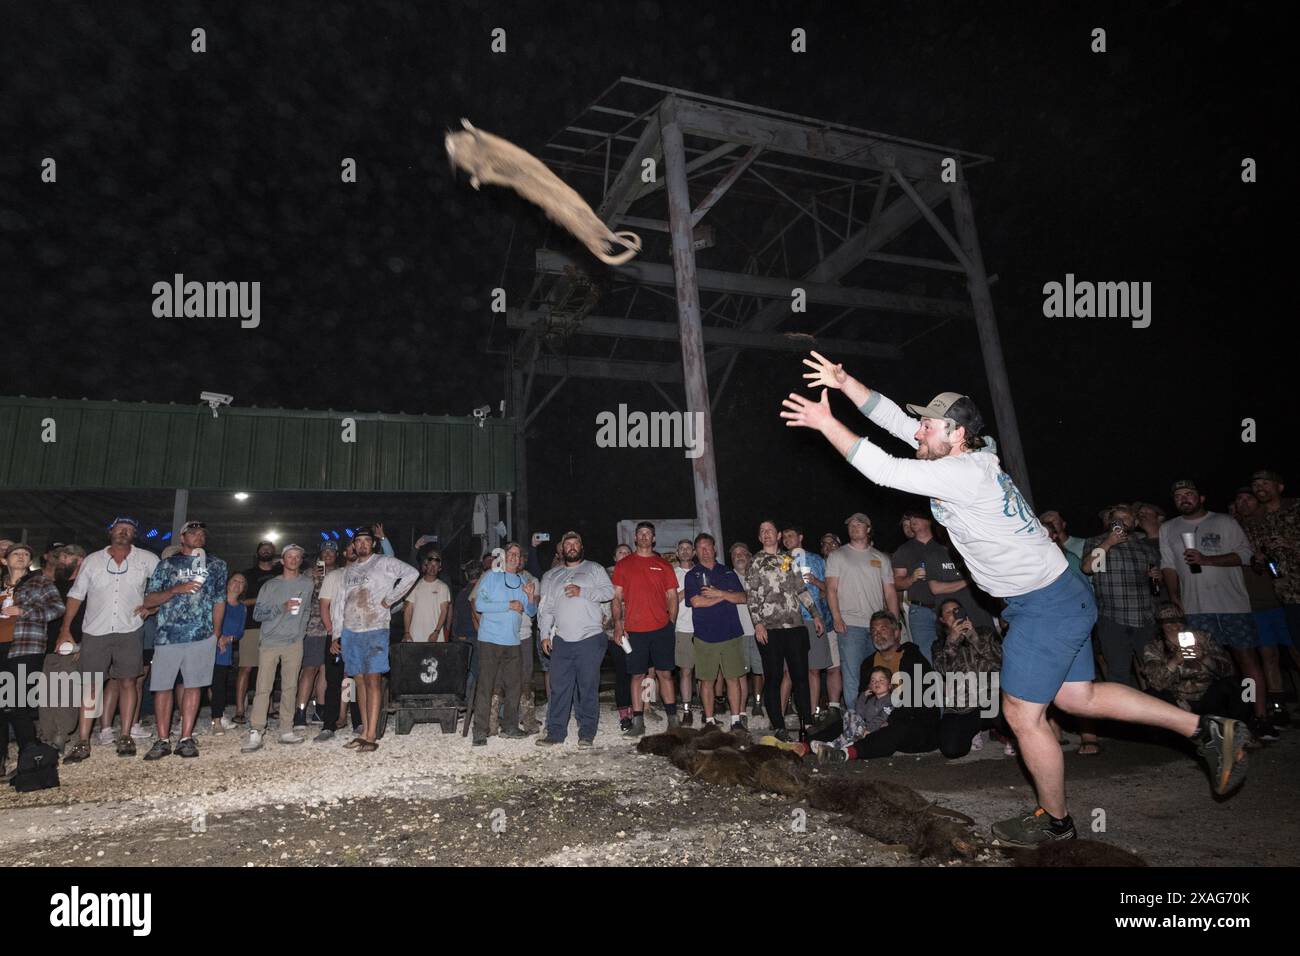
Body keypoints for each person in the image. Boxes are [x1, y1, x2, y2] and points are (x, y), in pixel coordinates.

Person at [781, 351, 1252, 847]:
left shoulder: (962, 474)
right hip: (1058, 596)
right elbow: (895, 419)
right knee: (1077, 697)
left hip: (1044, 602)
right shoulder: (969, 456)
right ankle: (1208, 729)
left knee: (1021, 714)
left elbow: (880, 469)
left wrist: (825, 421)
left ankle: (1056, 821)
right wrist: (846, 381)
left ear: (956, 434)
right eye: (921, 426)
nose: (918, 432)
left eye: (928, 427)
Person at [1159, 479, 1276, 742]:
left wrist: (1206, 559)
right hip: (1196, 607)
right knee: (1201, 664)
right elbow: (1168, 565)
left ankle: (1260, 717)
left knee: (1247, 660)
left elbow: (1245, 555)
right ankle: (1214, 722)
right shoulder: (1169, 528)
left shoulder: (1224, 522)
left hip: (1232, 605)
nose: (1184, 499)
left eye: (1189, 494)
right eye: (1178, 496)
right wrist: (1175, 596)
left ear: (1201, 498)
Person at [58, 518, 159, 762]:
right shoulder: (92, 560)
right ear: (110, 532)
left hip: (129, 629)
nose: (124, 532)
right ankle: (83, 740)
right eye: (119, 528)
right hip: (95, 630)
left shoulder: (147, 559)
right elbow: (76, 594)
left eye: (129, 530)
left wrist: (152, 607)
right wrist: (65, 629)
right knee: (91, 685)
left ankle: (125, 735)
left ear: (134, 535)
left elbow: (162, 587)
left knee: (128, 681)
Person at [140, 520, 227, 760]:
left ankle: (186, 738)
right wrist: (175, 590)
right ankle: (162, 739)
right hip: (168, 635)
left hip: (201, 635)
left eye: (202, 534)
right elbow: (148, 600)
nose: (198, 536)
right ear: (182, 537)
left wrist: (216, 632)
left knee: (193, 685)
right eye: (193, 533)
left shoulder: (217, 565)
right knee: (163, 687)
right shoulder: (167, 564)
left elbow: (219, 600)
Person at [335, 526, 418, 751]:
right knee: (359, 680)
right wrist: (337, 632)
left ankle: (372, 735)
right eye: (358, 541)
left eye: (366, 540)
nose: (362, 544)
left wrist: (389, 600)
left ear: (373, 543)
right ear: (353, 545)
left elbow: (412, 574)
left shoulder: (383, 562)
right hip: (351, 630)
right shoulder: (349, 571)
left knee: (373, 680)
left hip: (375, 628)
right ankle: (364, 731)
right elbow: (340, 602)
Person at [745, 520, 824, 741]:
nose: (766, 534)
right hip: (770, 629)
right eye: (762, 532)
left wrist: (816, 614)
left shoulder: (789, 560)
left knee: (800, 676)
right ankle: (778, 724)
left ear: (778, 535)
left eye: (770, 530)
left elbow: (801, 588)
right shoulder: (756, 562)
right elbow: (751, 595)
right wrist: (758, 623)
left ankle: (806, 722)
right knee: (774, 677)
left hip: (795, 626)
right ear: (760, 538)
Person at [535, 532, 614, 746]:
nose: (571, 547)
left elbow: (609, 592)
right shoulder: (552, 576)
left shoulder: (594, 568)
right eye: (567, 544)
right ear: (562, 549)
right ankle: (555, 733)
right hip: (561, 639)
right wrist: (544, 634)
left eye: (575, 543)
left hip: (590, 638)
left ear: (581, 546)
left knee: (587, 686)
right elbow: (547, 609)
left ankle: (587, 733)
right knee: (558, 687)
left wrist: (583, 591)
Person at [242, 545, 316, 752]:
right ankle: (256, 731)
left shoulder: (307, 583)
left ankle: (286, 729)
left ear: (301, 560)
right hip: (270, 642)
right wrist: (280, 608)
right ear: (282, 561)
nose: (293, 560)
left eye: (297, 557)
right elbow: (257, 614)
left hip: (294, 642)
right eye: (289, 556)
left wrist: (300, 633)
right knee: (263, 687)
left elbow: (307, 609)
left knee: (290, 686)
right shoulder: (270, 585)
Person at [0, 543, 66, 775]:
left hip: (25, 647)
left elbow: (58, 608)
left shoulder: (40, 582)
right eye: (15, 554)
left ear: (30, 562)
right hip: (1, 647)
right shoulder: (1, 585)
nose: (21, 557)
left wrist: (24, 612)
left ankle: (29, 758)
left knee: (16, 703)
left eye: (26, 554)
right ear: (4, 561)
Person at [892, 510, 991, 663]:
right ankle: (937, 687)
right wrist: (911, 578)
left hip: (951, 609)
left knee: (960, 653)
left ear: (930, 521)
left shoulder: (945, 546)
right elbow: (897, 583)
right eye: (909, 518)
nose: (912, 520)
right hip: (921, 611)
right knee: (928, 658)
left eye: (916, 516)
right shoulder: (904, 550)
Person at [1081, 504, 1161, 687]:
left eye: (1126, 518)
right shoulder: (1097, 542)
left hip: (1145, 617)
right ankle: (1123, 714)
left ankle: (1153, 709)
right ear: (1110, 522)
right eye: (1117, 519)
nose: (1122, 522)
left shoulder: (1146, 548)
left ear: (1135, 522)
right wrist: (1109, 542)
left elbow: (1155, 582)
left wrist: (1157, 577)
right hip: (1113, 619)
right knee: (1118, 674)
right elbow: (1087, 568)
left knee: (1154, 671)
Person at [1242, 470, 1300, 722]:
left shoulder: (1295, 508)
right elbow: (1255, 560)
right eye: (1256, 484)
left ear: (1280, 486)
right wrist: (1258, 560)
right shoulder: (1255, 521)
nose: (1259, 487)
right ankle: (1280, 707)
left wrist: (1291, 544)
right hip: (1283, 594)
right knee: (1283, 650)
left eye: (1265, 482)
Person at [826, 512, 899, 710]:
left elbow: (891, 592)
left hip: (877, 627)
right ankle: (853, 718)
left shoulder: (881, 558)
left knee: (878, 674)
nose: (855, 527)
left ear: (868, 529)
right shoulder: (837, 555)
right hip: (850, 624)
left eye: (860, 524)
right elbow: (831, 589)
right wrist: (837, 617)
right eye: (851, 525)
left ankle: (876, 715)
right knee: (852, 674)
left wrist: (895, 624)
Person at [612, 523, 680, 737]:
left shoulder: (663, 565)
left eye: (647, 534)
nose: (644, 537)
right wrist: (618, 624)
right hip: (634, 630)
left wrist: (671, 624)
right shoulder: (624, 565)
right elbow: (616, 598)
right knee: (636, 675)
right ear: (635, 537)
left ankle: (673, 721)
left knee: (665, 674)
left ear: (653, 538)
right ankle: (638, 722)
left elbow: (672, 597)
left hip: (661, 628)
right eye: (640, 533)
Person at [473, 542, 537, 745]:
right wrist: (507, 605)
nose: (515, 557)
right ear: (503, 556)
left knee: (514, 686)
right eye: (511, 553)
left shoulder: (522, 580)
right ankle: (480, 731)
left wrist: (529, 596)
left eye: (518, 555)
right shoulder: (491, 576)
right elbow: (480, 605)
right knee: (486, 685)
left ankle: (510, 726)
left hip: (513, 641)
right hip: (490, 640)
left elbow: (531, 612)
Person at [683, 533, 749, 730]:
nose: (705, 551)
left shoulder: (727, 572)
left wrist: (719, 593)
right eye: (700, 548)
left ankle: (736, 719)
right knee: (707, 680)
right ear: (695, 552)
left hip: (731, 633)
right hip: (705, 636)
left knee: (733, 678)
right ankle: (710, 720)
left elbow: (743, 597)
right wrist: (726, 596)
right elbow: (696, 602)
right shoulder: (692, 575)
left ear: (715, 549)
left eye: (708, 547)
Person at [1141, 604, 1248, 723]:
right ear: (1161, 625)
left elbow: (1228, 670)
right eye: (1169, 622)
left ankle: (1240, 728)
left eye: (1178, 621)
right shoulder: (1154, 647)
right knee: (1152, 695)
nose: (1175, 626)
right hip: (1177, 699)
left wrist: (1205, 658)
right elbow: (1155, 682)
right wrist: (1174, 662)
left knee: (1239, 684)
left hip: (1207, 695)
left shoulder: (1202, 638)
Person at [931, 599, 1003, 758]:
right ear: (942, 620)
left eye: (957, 610)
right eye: (949, 612)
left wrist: (974, 638)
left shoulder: (985, 633)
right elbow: (943, 670)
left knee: (1016, 722)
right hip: (962, 707)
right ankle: (975, 730)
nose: (955, 614)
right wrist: (952, 642)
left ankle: (999, 731)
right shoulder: (939, 645)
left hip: (992, 700)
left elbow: (1000, 663)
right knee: (951, 748)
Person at [782, 524, 838, 719]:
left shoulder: (816, 560)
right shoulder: (782, 561)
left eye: (791, 535)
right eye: (785, 536)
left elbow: (827, 591)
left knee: (814, 670)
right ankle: (779, 715)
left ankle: (812, 713)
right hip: (790, 622)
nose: (788, 539)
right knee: (789, 672)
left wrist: (815, 581)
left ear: (801, 537)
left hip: (814, 619)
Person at [233, 540, 282, 725]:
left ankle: (269, 708)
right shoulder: (248, 575)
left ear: (274, 553)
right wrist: (263, 600)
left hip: (276, 627)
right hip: (252, 626)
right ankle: (239, 710)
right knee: (246, 668)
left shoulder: (280, 574)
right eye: (263, 548)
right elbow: (239, 601)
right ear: (257, 553)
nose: (266, 550)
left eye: (270, 549)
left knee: (268, 669)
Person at [293, 542, 339, 731]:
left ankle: (321, 708)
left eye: (332, 551)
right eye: (325, 551)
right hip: (312, 628)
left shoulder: (341, 573)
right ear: (320, 554)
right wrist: (309, 578)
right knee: (309, 669)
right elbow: (297, 594)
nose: (328, 554)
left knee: (326, 670)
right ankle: (301, 711)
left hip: (334, 628)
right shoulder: (308, 574)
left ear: (337, 554)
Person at [728, 542, 765, 718]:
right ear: (732, 559)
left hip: (760, 630)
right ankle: (742, 711)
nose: (739, 556)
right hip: (738, 633)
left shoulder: (759, 575)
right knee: (740, 673)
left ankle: (757, 702)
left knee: (759, 671)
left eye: (743, 553)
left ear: (750, 556)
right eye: (735, 554)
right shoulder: (727, 577)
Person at [603, 544, 636, 732]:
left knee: (636, 673)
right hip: (613, 632)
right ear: (615, 557)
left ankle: (637, 711)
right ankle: (624, 715)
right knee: (622, 673)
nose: (624, 555)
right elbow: (604, 603)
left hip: (638, 630)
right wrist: (615, 625)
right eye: (620, 552)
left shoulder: (637, 572)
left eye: (627, 552)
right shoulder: (606, 575)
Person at [210, 573, 245, 735]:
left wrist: (228, 639)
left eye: (242, 582)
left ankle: (217, 719)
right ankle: (183, 717)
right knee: (198, 684)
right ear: (227, 583)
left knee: (218, 684)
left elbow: (239, 632)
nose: (237, 584)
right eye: (234, 580)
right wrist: (217, 637)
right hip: (208, 645)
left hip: (225, 649)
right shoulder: (216, 601)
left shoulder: (241, 608)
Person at [671, 539, 699, 725]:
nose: (685, 551)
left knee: (706, 674)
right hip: (682, 628)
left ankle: (708, 710)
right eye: (681, 548)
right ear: (677, 552)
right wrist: (686, 591)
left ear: (694, 551)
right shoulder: (672, 573)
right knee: (686, 671)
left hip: (705, 627)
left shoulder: (701, 571)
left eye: (688, 548)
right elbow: (668, 601)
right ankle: (687, 710)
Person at [403, 550, 452, 643]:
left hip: (435, 637)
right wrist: (406, 632)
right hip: (415, 636)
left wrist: (436, 632)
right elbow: (408, 610)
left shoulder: (443, 587)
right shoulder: (415, 585)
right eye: (430, 564)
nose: (433, 568)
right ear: (425, 566)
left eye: (436, 565)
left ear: (439, 568)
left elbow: (444, 611)